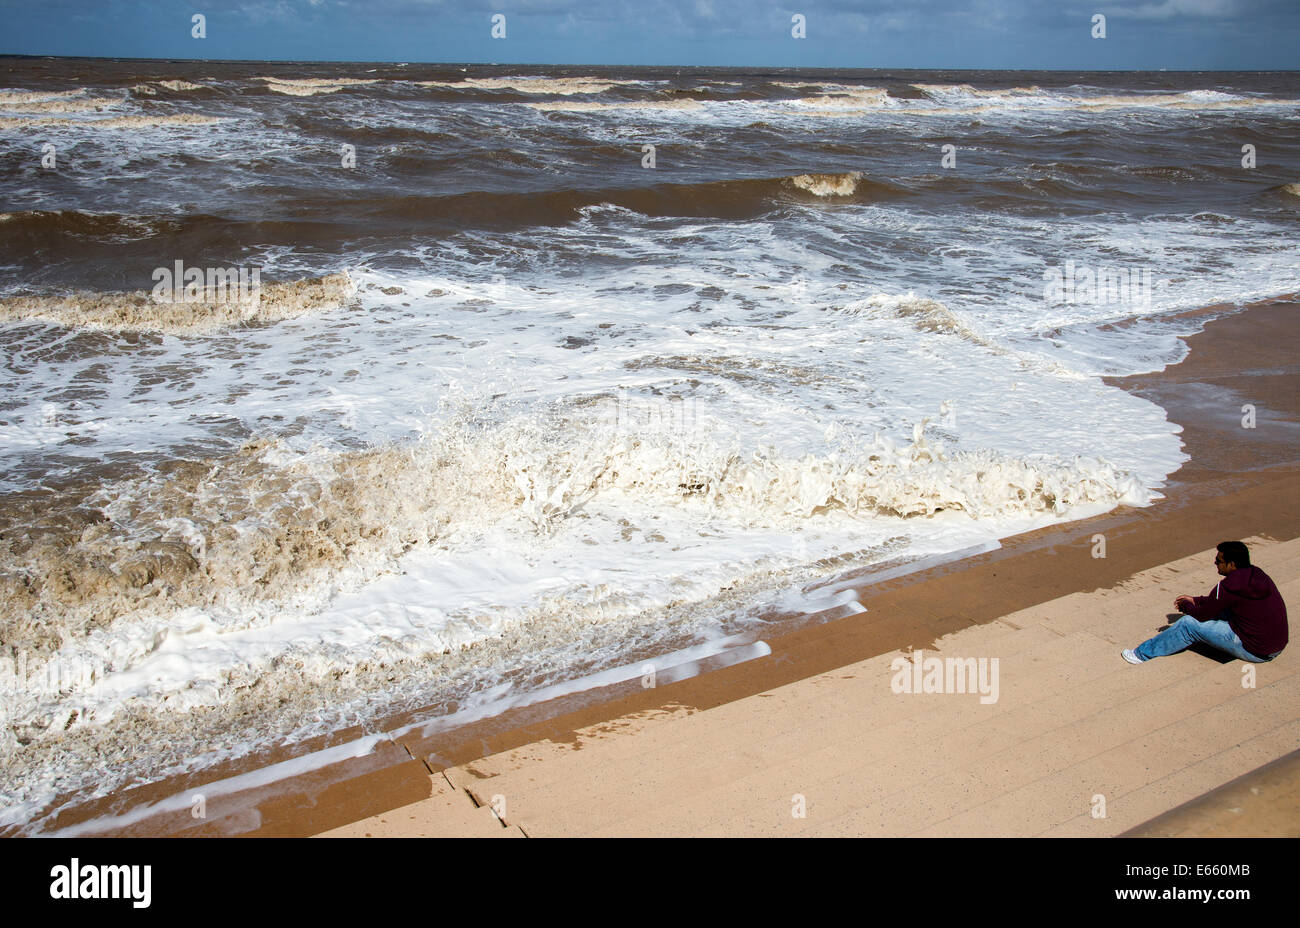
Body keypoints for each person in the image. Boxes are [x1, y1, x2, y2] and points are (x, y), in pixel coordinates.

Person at [1122, 541, 1288, 665]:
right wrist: (1196, 600)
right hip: (1276, 646)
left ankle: (1140, 654)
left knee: (1188, 624)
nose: (1215, 563)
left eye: (1219, 561)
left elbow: (1201, 616)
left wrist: (1187, 607)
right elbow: (1221, 602)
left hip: (1254, 650)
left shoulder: (1228, 586)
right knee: (1221, 611)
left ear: (1232, 564)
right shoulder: (1257, 575)